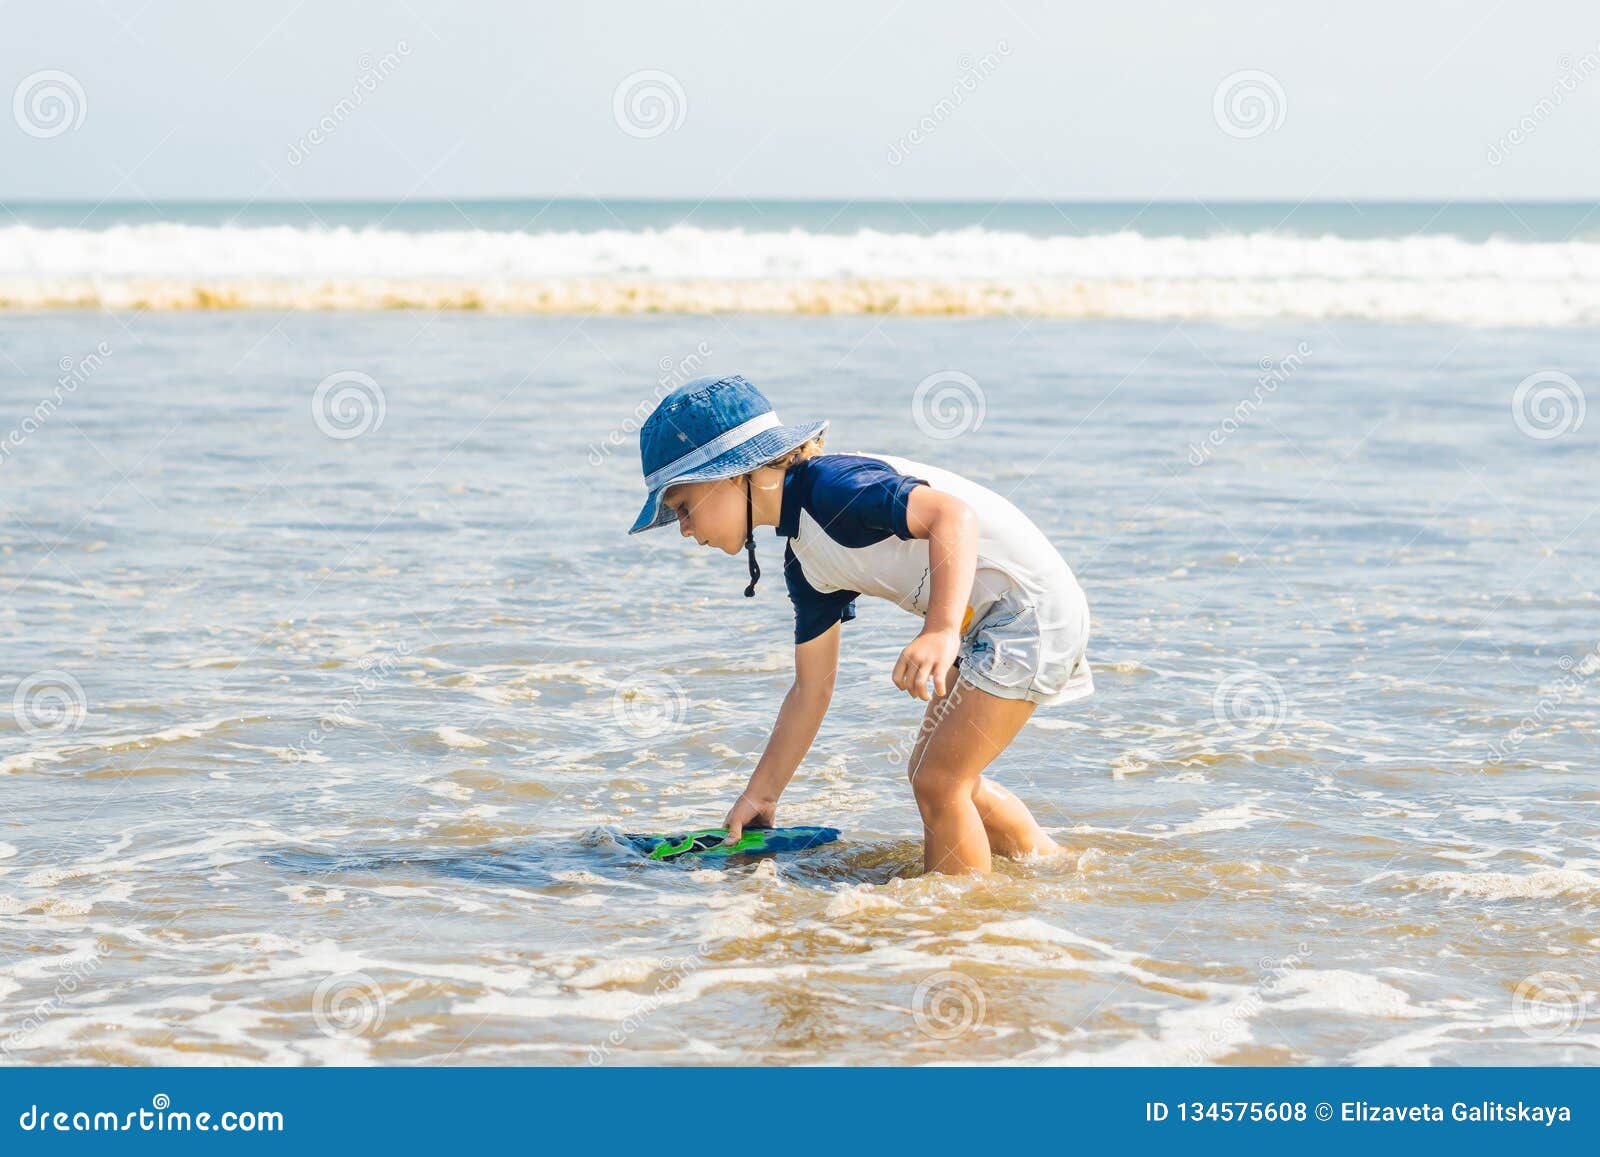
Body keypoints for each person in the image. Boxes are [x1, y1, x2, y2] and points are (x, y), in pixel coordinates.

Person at [628, 374, 1092, 875]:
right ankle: (1056, 868)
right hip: (984, 621)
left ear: (735, 472)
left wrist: (938, 631)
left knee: (940, 782)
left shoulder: (832, 489)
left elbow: (952, 517)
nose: (685, 528)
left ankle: (962, 927)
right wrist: (761, 793)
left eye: (681, 506)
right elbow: (812, 687)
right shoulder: (804, 561)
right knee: (941, 776)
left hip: (1027, 612)